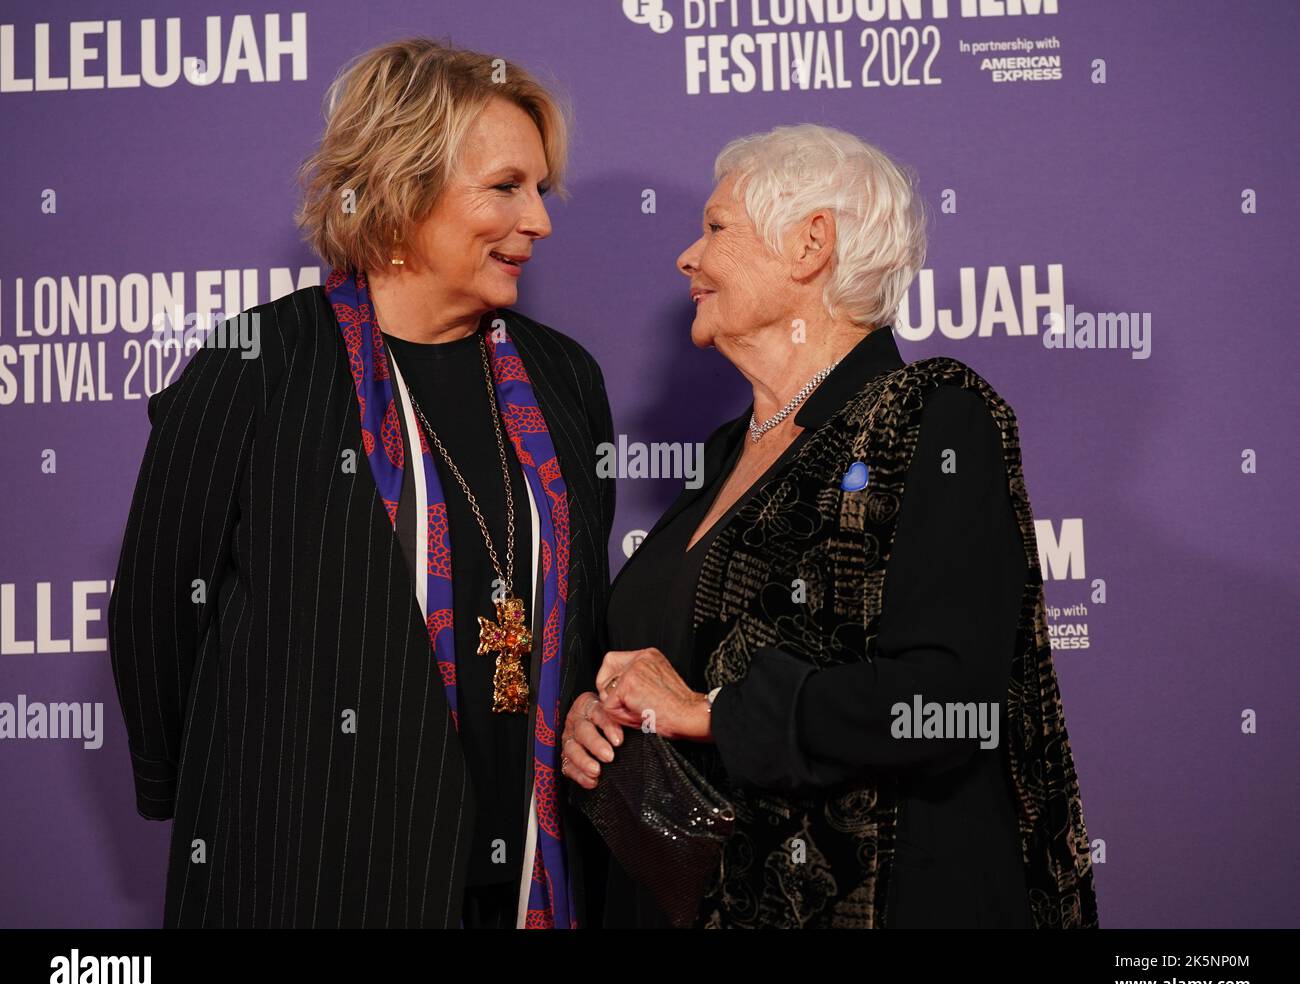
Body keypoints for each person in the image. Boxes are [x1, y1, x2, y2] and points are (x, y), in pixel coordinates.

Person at [107, 38, 614, 929]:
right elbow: (158, 618)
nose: (538, 221)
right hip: (308, 874)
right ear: (400, 189)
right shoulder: (256, 367)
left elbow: (579, 619)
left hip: (526, 876)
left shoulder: (564, 378)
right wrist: (217, 795)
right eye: (505, 187)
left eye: (540, 189)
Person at [560, 124, 1098, 929]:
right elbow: (664, 670)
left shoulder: (928, 417)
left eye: (714, 229)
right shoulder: (723, 455)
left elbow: (951, 701)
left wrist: (710, 710)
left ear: (811, 242)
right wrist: (597, 722)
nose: (687, 258)